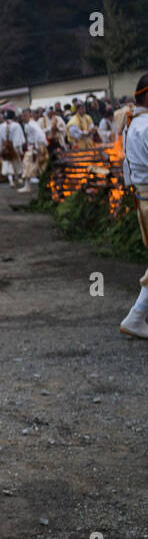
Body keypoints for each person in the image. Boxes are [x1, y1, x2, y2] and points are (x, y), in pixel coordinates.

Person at [118, 72, 148, 340]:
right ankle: (136, 317)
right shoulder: (146, 124)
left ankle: (136, 317)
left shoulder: (132, 124)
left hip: (143, 199)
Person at [0, 111, 26, 186]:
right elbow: (19, 138)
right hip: (14, 146)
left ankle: (11, 180)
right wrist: (19, 149)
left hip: (5, 147)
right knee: (16, 162)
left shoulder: (2, 126)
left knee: (7, 163)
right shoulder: (16, 125)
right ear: (14, 117)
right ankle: (17, 178)